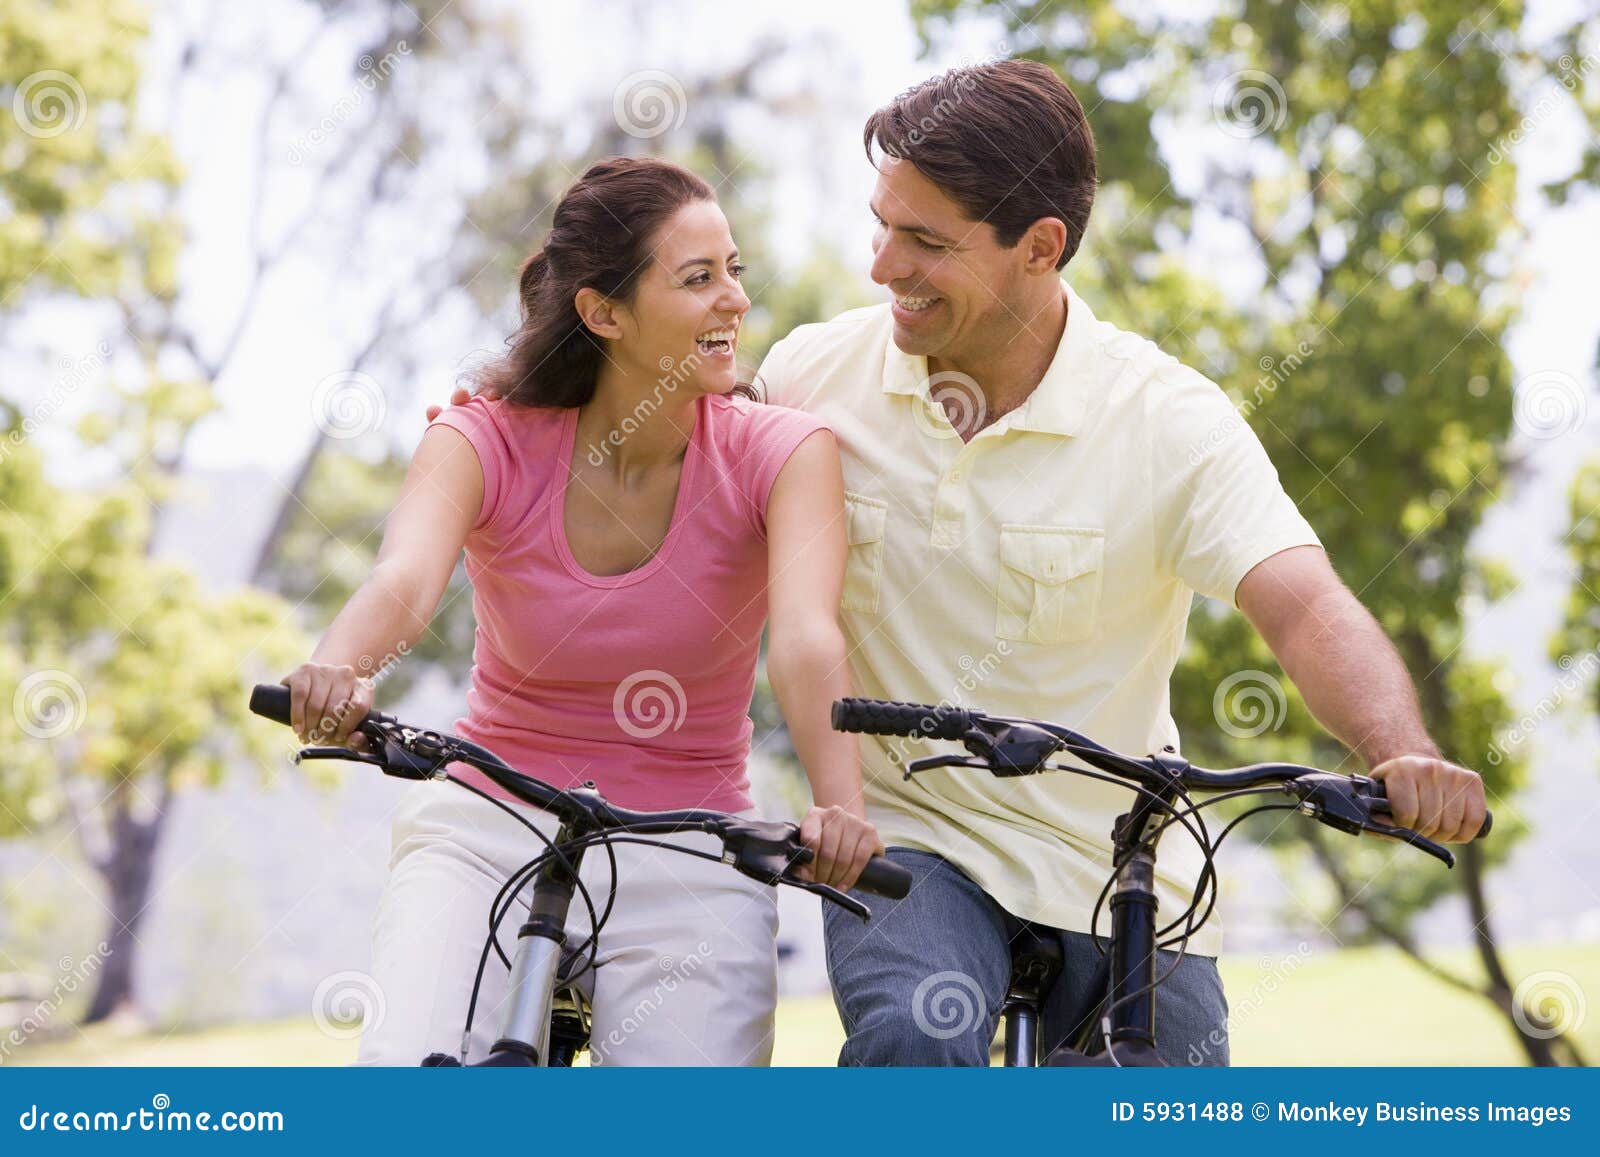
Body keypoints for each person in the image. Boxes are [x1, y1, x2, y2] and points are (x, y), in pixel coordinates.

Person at [432, 62, 1487, 1068]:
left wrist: (1399, 750)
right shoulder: (812, 374)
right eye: (882, 226)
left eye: (925, 242)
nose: (882, 266)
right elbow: (662, 424)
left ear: (1040, 246)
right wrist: (510, 418)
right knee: (915, 1041)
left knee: (1165, 1089)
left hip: (1120, 855)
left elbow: (1303, 604)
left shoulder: (1169, 421)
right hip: (913, 843)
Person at [285, 155, 881, 1066]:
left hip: (691, 842)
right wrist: (340, 665)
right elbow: (402, 582)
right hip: (490, 821)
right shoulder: (481, 438)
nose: (735, 299)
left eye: (733, 270)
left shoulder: (785, 453)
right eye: (697, 278)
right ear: (604, 312)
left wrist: (840, 804)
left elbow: (805, 637)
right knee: (408, 1076)